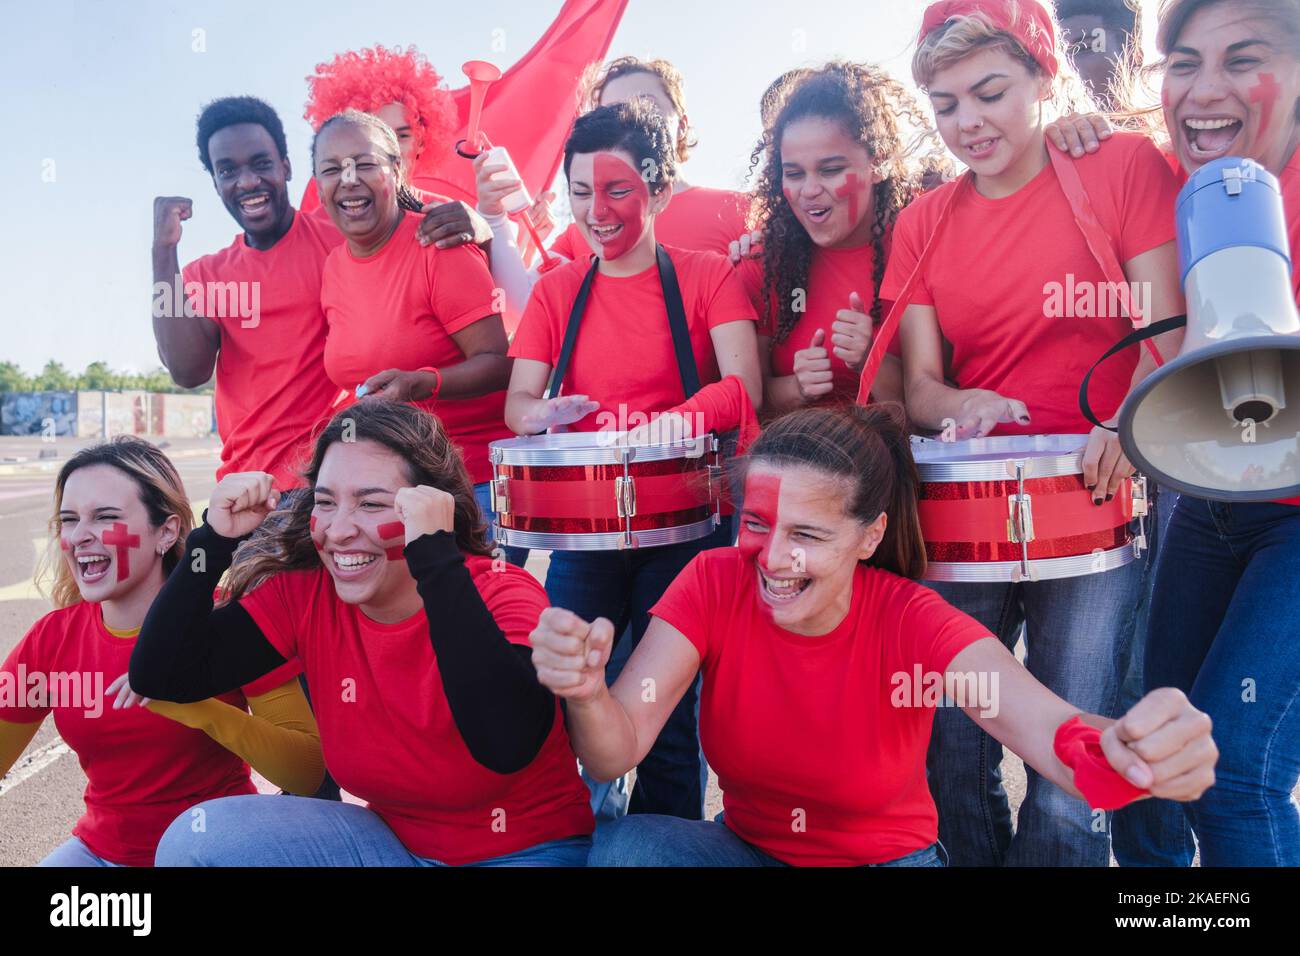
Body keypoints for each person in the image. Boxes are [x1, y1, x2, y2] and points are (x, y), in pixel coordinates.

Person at [527, 404, 1219, 867]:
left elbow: (1049, 733)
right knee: (630, 848)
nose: (772, 560)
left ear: (870, 536)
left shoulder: (911, 618)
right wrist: (588, 693)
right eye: (761, 526)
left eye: (807, 535)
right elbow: (616, 754)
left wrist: (1133, 754)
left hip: (884, 861)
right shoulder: (714, 579)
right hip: (751, 851)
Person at [884, 0, 1187, 866]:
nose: (967, 123)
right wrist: (964, 404)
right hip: (963, 514)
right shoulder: (924, 220)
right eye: (945, 106)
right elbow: (924, 386)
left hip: (1093, 506)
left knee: (1072, 765)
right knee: (950, 754)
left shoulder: (1122, 165)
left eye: (990, 93)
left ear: (1045, 78)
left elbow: (1166, 337)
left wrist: (1128, 419)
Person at [129, 402, 594, 867]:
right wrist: (212, 542)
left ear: (430, 509)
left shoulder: (503, 591)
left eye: (371, 504)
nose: (338, 530)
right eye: (326, 502)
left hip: (526, 852)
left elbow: (505, 745)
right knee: (198, 841)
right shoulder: (309, 594)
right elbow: (164, 674)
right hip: (391, 848)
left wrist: (434, 556)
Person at [505, 100, 762, 821]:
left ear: (660, 190)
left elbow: (742, 387)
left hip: (685, 529)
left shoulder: (709, 275)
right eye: (580, 193)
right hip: (587, 533)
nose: (598, 210)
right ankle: (574, 836)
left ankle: (661, 843)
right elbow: (518, 403)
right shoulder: (558, 289)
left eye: (617, 190)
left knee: (669, 715)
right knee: (565, 694)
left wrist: (670, 424)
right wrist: (540, 415)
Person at [1116, 0, 1300, 866]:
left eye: (1242, 58)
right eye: (1183, 63)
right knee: (1148, 752)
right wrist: (1076, 130)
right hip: (1206, 499)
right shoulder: (1162, 176)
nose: (1204, 89)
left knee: (1234, 775)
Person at [0, 437, 321, 867]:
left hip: (214, 849)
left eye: (106, 517)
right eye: (70, 520)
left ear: (166, 531)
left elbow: (305, 771)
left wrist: (200, 709)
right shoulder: (52, 638)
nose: (79, 536)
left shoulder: (230, 618)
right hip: (101, 853)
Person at [311, 109, 524, 566]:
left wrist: (421, 383)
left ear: (397, 170)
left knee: (463, 628)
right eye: (331, 169)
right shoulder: (332, 267)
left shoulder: (436, 241)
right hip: (392, 490)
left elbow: (502, 363)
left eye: (364, 164)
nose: (348, 180)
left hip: (473, 490)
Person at [152, 96, 344, 490]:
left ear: (286, 167)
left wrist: (480, 222)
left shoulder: (340, 242)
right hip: (246, 492)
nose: (248, 182)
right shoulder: (206, 275)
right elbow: (187, 372)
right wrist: (162, 251)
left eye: (261, 164)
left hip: (330, 487)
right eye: (228, 170)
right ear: (216, 183)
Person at [478, 56, 753, 326]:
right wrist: (494, 218)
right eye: (613, 113)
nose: (631, 124)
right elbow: (523, 310)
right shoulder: (585, 230)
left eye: (647, 106)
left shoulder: (741, 210)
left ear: (681, 125)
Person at [738, 62, 945, 414]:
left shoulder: (921, 239)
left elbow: (944, 394)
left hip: (901, 463)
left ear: (877, 165)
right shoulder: (765, 261)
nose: (810, 190)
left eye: (831, 170)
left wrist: (871, 359)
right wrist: (796, 388)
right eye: (794, 173)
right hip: (801, 460)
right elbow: (750, 402)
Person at [300, 44, 491, 252]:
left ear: (421, 142)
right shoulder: (319, 226)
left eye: (402, 135)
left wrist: (487, 238)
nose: (392, 150)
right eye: (380, 136)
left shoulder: (447, 214)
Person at [1058, 0, 1144, 108]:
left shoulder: (1167, 123)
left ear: (1133, 57)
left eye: (1082, 48)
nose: (1063, 68)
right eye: (1057, 55)